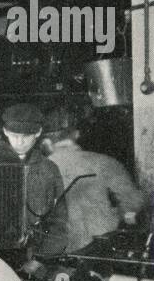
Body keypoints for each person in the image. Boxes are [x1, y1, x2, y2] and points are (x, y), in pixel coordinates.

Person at [41, 106, 146, 253]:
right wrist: (119, 215)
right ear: (76, 135)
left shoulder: (37, 170)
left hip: (59, 249)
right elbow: (134, 201)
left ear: (45, 142)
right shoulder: (104, 162)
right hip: (100, 246)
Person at [0, 102, 69, 260]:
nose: (19, 142)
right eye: (14, 135)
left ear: (38, 133)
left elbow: (59, 222)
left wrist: (42, 260)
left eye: (26, 136)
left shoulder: (49, 170)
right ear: (5, 131)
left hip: (35, 257)